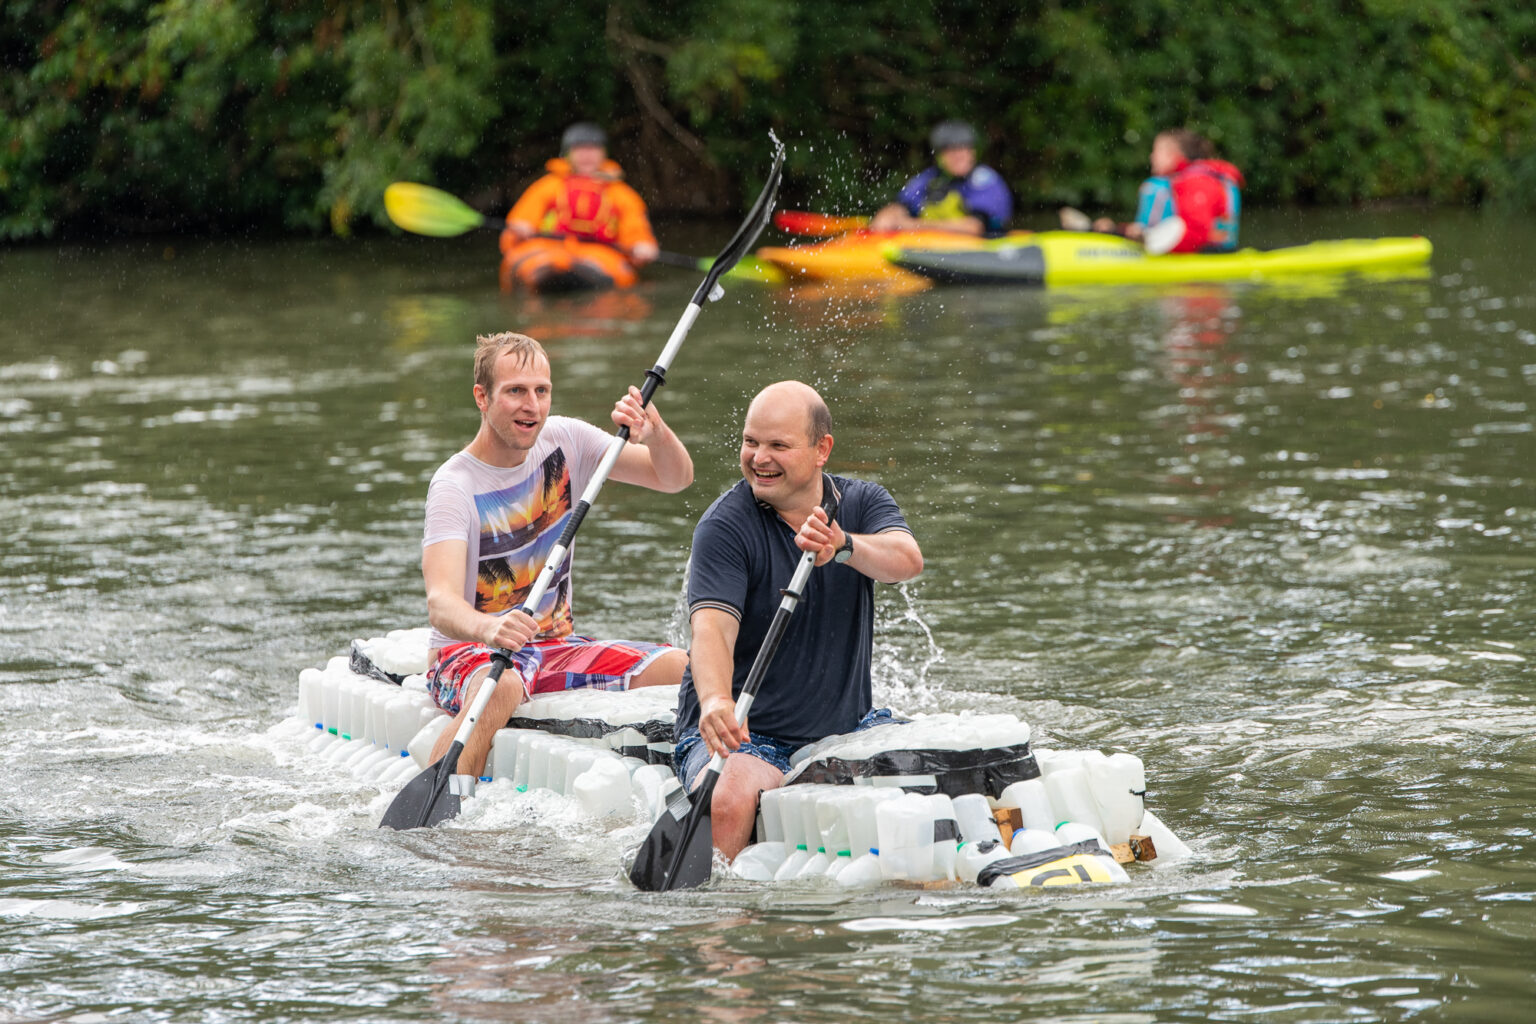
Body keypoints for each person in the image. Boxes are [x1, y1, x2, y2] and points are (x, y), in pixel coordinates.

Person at [421, 331, 692, 776]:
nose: (532, 406)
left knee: (687, 667)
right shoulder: (455, 485)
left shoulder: (567, 440)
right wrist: (491, 628)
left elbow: (674, 478)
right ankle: (441, 801)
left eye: (541, 391)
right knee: (502, 687)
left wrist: (656, 433)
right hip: (471, 654)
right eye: (515, 391)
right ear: (482, 398)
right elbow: (441, 603)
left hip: (557, 648)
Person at [673, 381, 925, 859]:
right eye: (750, 442)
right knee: (728, 798)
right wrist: (716, 700)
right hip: (747, 736)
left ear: (821, 449)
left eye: (778, 445)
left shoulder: (861, 501)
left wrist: (844, 546)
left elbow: (906, 560)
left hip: (844, 729)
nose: (759, 458)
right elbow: (711, 629)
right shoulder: (724, 526)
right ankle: (720, 904)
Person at [501, 122, 660, 267]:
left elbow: (635, 228)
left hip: (601, 255)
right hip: (551, 250)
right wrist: (521, 228)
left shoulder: (621, 193)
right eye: (579, 149)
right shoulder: (548, 186)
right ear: (568, 153)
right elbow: (523, 218)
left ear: (603, 153)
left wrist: (641, 244)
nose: (586, 155)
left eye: (593, 149)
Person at [1067, 128, 1244, 253]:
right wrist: (1125, 230)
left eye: (1156, 151)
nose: (1151, 157)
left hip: (1208, 254)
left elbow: (1196, 234)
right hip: (1189, 248)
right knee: (1113, 229)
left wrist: (1141, 241)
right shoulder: (1183, 181)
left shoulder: (1197, 182)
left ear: (1174, 155)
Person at [869, 120, 1012, 236]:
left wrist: (913, 225)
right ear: (939, 156)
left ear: (973, 152)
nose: (958, 156)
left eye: (963, 148)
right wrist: (888, 216)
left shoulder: (985, 180)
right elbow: (901, 205)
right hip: (935, 247)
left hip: (980, 250)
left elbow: (974, 227)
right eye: (950, 150)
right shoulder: (929, 177)